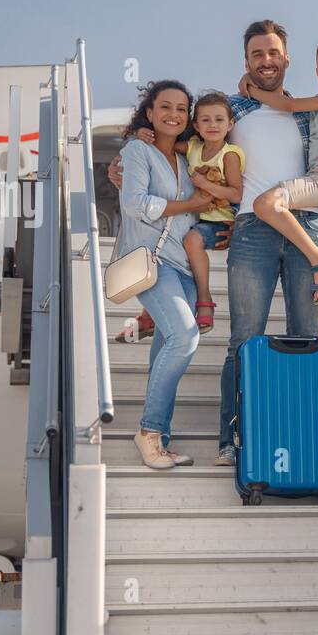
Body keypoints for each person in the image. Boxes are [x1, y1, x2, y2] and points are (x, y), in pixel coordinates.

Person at [110, 20, 318, 467]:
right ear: (246, 62)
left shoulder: (314, 108)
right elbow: (173, 138)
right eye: (256, 55)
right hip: (250, 232)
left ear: (286, 59)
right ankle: (235, 438)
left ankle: (301, 438)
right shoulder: (229, 111)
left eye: (273, 54)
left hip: (307, 225)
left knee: (307, 337)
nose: (265, 62)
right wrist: (134, 142)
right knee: (245, 341)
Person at [115, 80, 215, 469]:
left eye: (181, 108)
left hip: (184, 265)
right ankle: (149, 432)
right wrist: (188, 202)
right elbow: (136, 204)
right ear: (150, 113)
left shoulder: (189, 156)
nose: (174, 114)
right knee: (185, 336)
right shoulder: (137, 150)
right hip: (149, 262)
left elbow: (200, 209)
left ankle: (161, 440)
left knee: (166, 345)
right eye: (165, 107)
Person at [238, 36, 318, 306]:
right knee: (268, 206)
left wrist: (252, 90)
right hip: (315, 186)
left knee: (266, 203)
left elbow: (290, 106)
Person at [124, 92, 245, 339]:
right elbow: (160, 145)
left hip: (218, 221)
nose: (213, 125)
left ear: (230, 124)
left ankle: (205, 299)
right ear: (196, 125)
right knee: (178, 247)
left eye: (219, 120)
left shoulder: (229, 154)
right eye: (206, 120)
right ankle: (148, 315)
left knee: (191, 241)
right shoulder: (192, 148)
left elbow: (236, 194)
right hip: (194, 222)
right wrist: (140, 134)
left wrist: (204, 185)